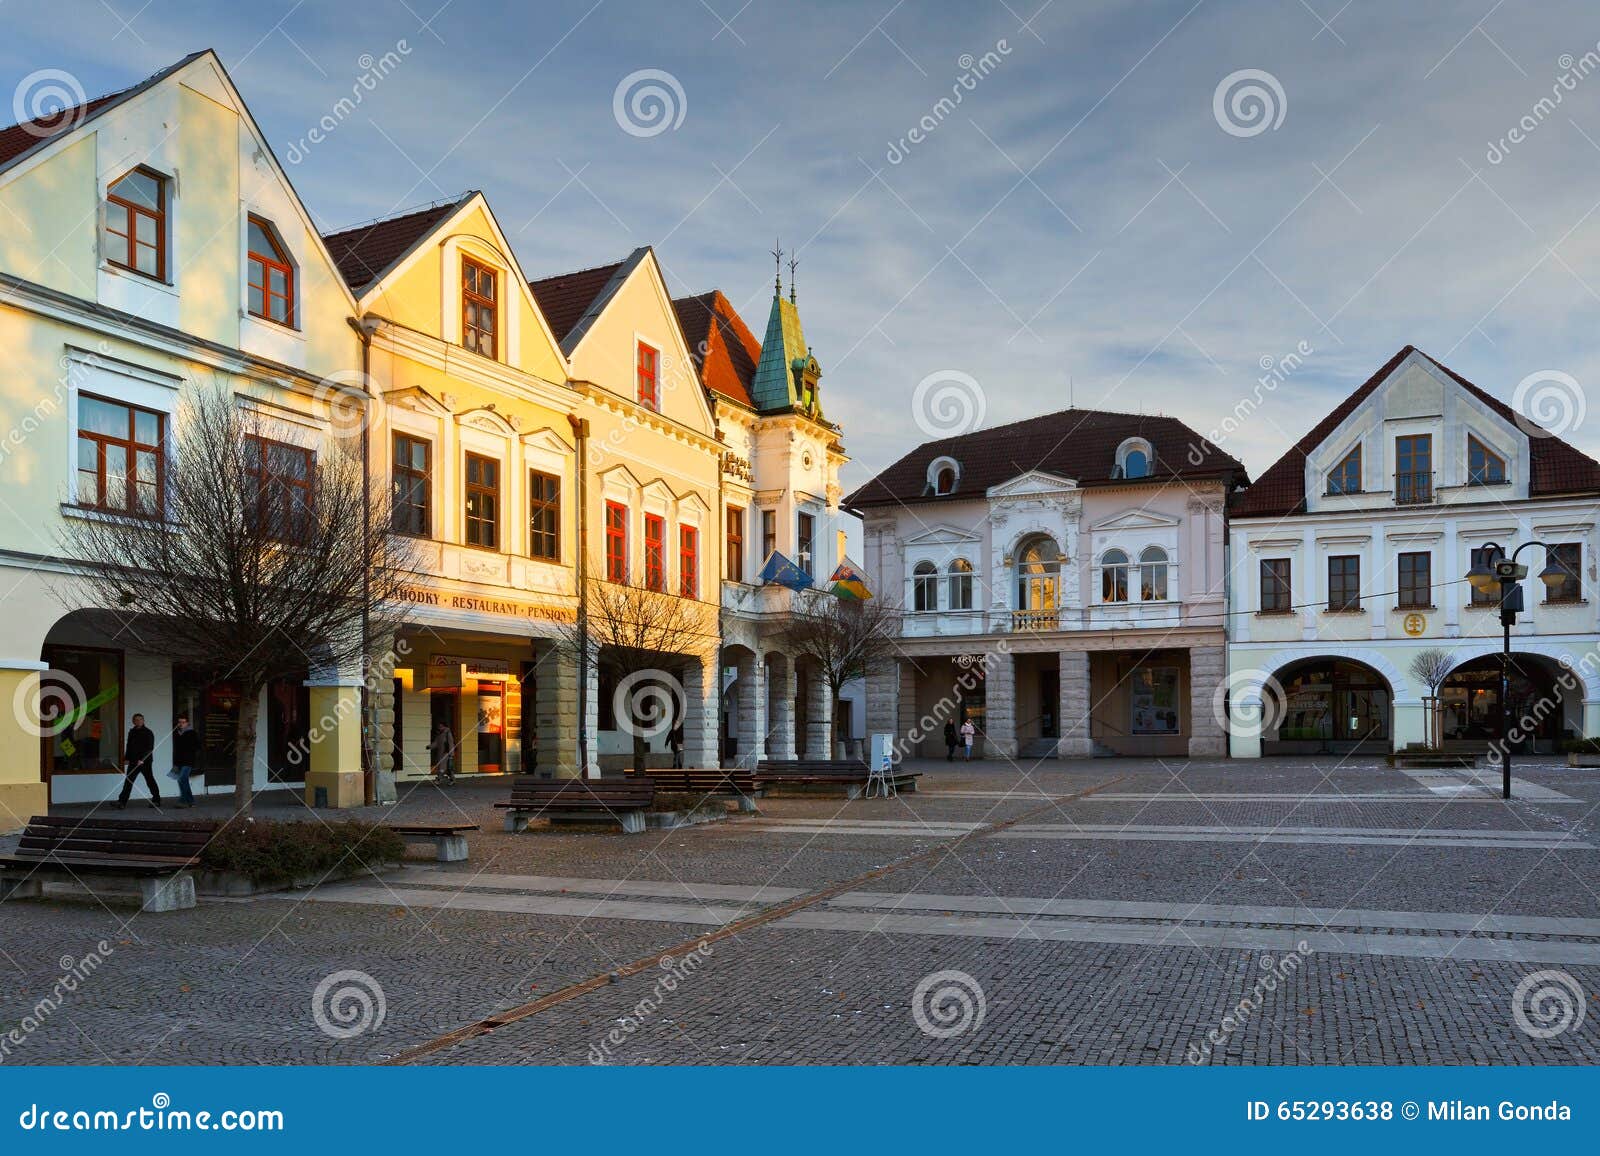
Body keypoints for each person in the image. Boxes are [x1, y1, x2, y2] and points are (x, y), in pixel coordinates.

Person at [116, 713, 161, 810]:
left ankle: (157, 800)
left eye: (140, 719)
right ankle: (122, 802)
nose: (138, 721)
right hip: (133, 761)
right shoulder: (132, 732)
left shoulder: (148, 732)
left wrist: (142, 759)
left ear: (143, 721)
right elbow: (129, 746)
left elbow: (150, 748)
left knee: (150, 780)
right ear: (133, 721)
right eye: (136, 720)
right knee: (128, 781)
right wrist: (127, 758)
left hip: (145, 762)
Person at [170, 714, 199, 808]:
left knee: (181, 778)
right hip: (180, 761)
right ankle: (191, 801)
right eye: (179, 722)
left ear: (187, 723)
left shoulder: (192, 733)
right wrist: (175, 762)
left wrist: (189, 748)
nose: (181, 724)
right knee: (183, 780)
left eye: (183, 722)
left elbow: (197, 746)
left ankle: (183, 801)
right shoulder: (177, 734)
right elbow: (177, 749)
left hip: (188, 760)